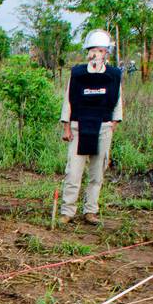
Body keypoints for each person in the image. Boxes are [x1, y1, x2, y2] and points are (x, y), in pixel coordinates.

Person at [59, 29, 123, 226]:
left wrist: (113, 123)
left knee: (97, 172)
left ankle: (90, 211)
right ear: (88, 52)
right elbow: (68, 100)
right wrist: (67, 127)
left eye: (101, 51)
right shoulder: (78, 73)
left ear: (106, 53)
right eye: (93, 50)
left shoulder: (113, 75)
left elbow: (118, 102)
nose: (96, 54)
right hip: (79, 126)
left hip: (102, 127)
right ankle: (67, 210)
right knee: (73, 171)